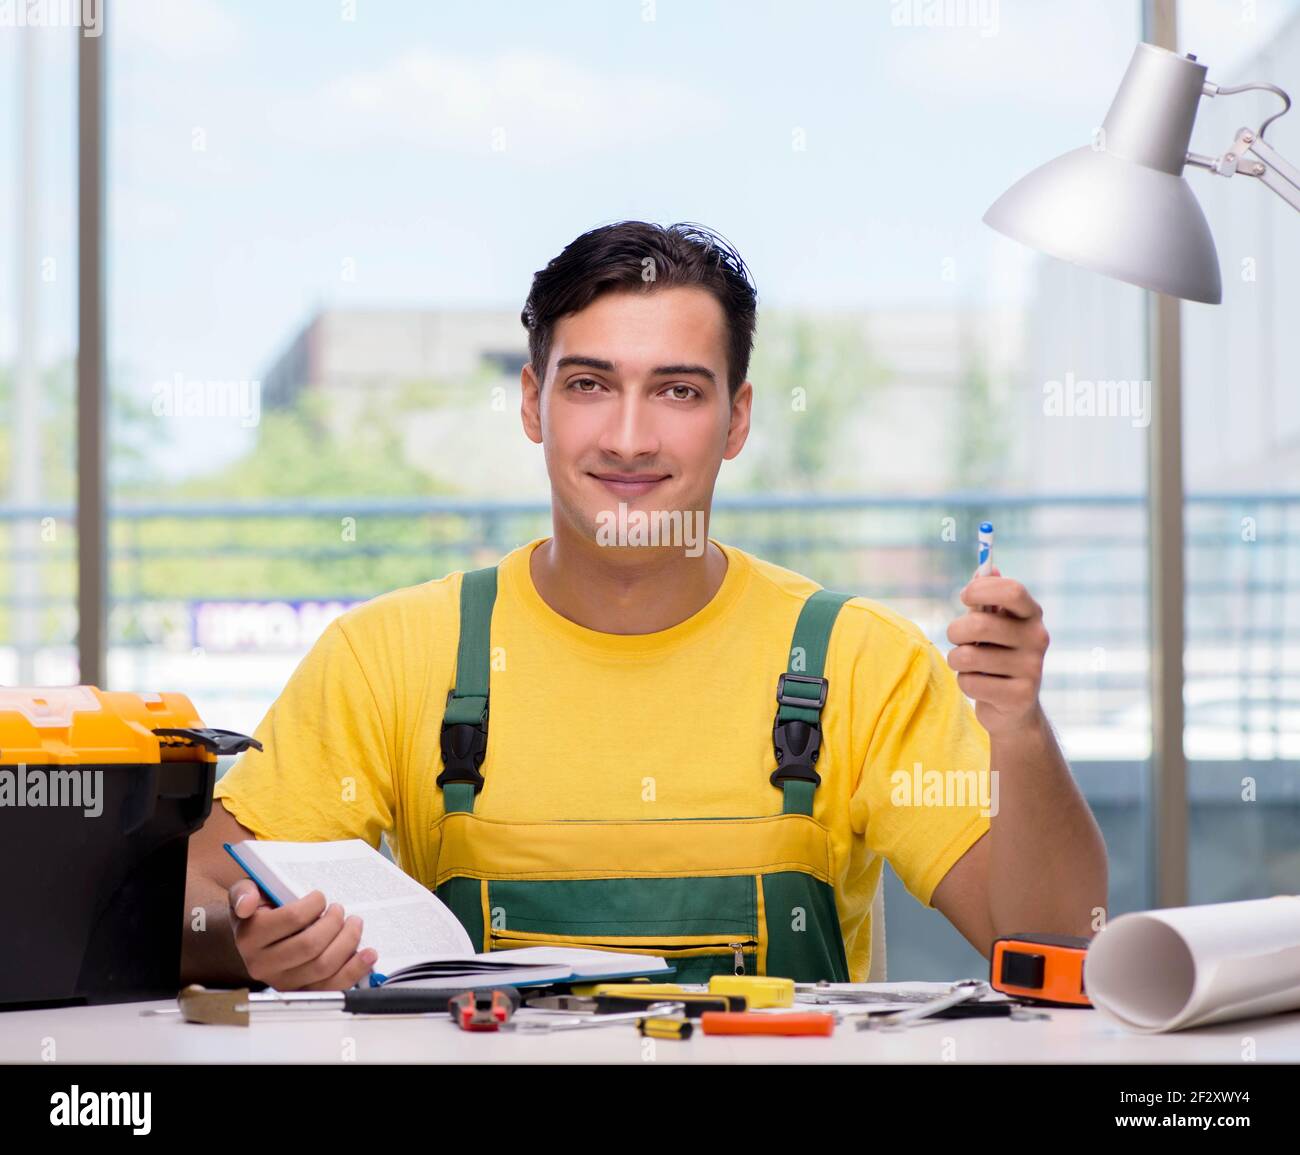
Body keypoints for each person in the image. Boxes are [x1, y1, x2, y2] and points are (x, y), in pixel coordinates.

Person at [181, 220, 1106, 991]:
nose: (629, 437)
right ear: (533, 403)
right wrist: (245, 942)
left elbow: (1055, 950)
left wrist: (1018, 727)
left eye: (677, 390)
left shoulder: (854, 659)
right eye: (590, 385)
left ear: (737, 419)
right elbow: (190, 900)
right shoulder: (392, 655)